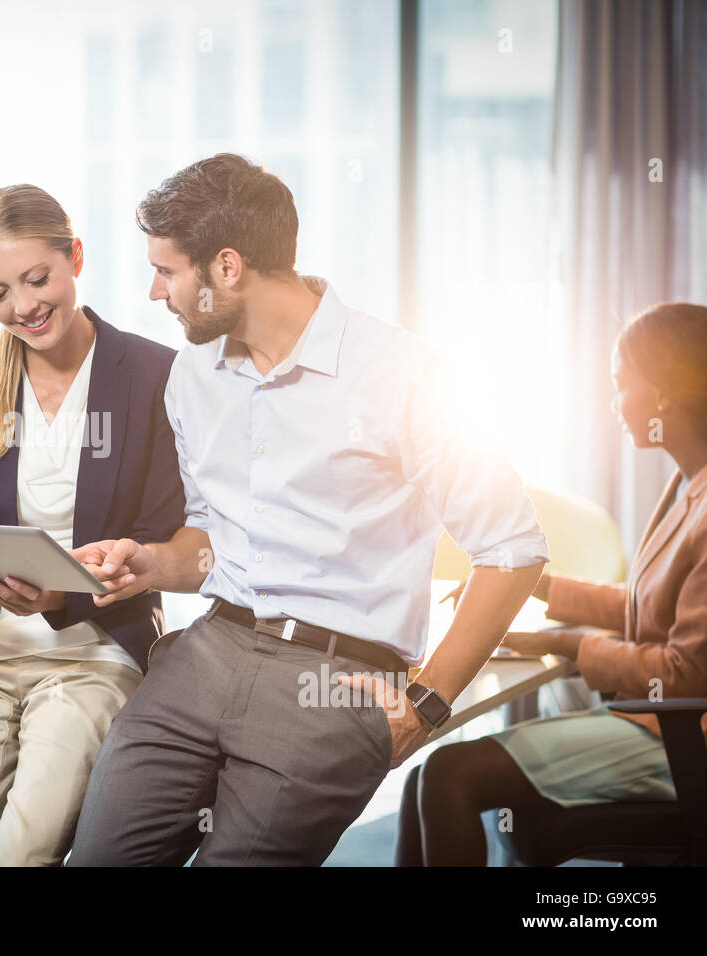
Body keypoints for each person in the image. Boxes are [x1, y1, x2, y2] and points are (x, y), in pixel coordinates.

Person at [66, 153, 550, 866]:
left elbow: (511, 549)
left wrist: (428, 704)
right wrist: (151, 562)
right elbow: (207, 537)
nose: (153, 291)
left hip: (333, 683)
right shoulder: (194, 375)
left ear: (227, 268)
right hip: (206, 654)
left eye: (167, 271)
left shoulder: (404, 374)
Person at [0, 184, 185, 866]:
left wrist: (63, 595)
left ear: (75, 259)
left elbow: (158, 538)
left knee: (22, 853)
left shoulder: (154, 375)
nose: (23, 307)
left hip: (92, 652)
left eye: (37, 279)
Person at [396, 302, 707, 866]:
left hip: (684, 741)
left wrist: (561, 643)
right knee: (424, 774)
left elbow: (684, 674)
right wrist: (531, 583)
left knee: (448, 774)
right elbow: (647, 608)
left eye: (621, 386)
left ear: (661, 394)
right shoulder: (689, 482)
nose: (615, 404)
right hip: (659, 725)